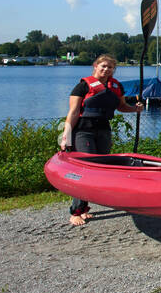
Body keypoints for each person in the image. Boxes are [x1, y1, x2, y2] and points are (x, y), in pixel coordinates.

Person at [61, 54, 143, 226]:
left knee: (99, 169)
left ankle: (85, 208)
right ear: (96, 66)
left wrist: (135, 109)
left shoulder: (116, 86)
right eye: (103, 66)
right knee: (85, 169)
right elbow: (73, 113)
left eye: (110, 67)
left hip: (103, 129)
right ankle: (76, 211)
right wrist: (66, 137)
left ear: (114, 69)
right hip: (83, 130)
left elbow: (121, 107)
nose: (106, 70)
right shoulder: (82, 87)